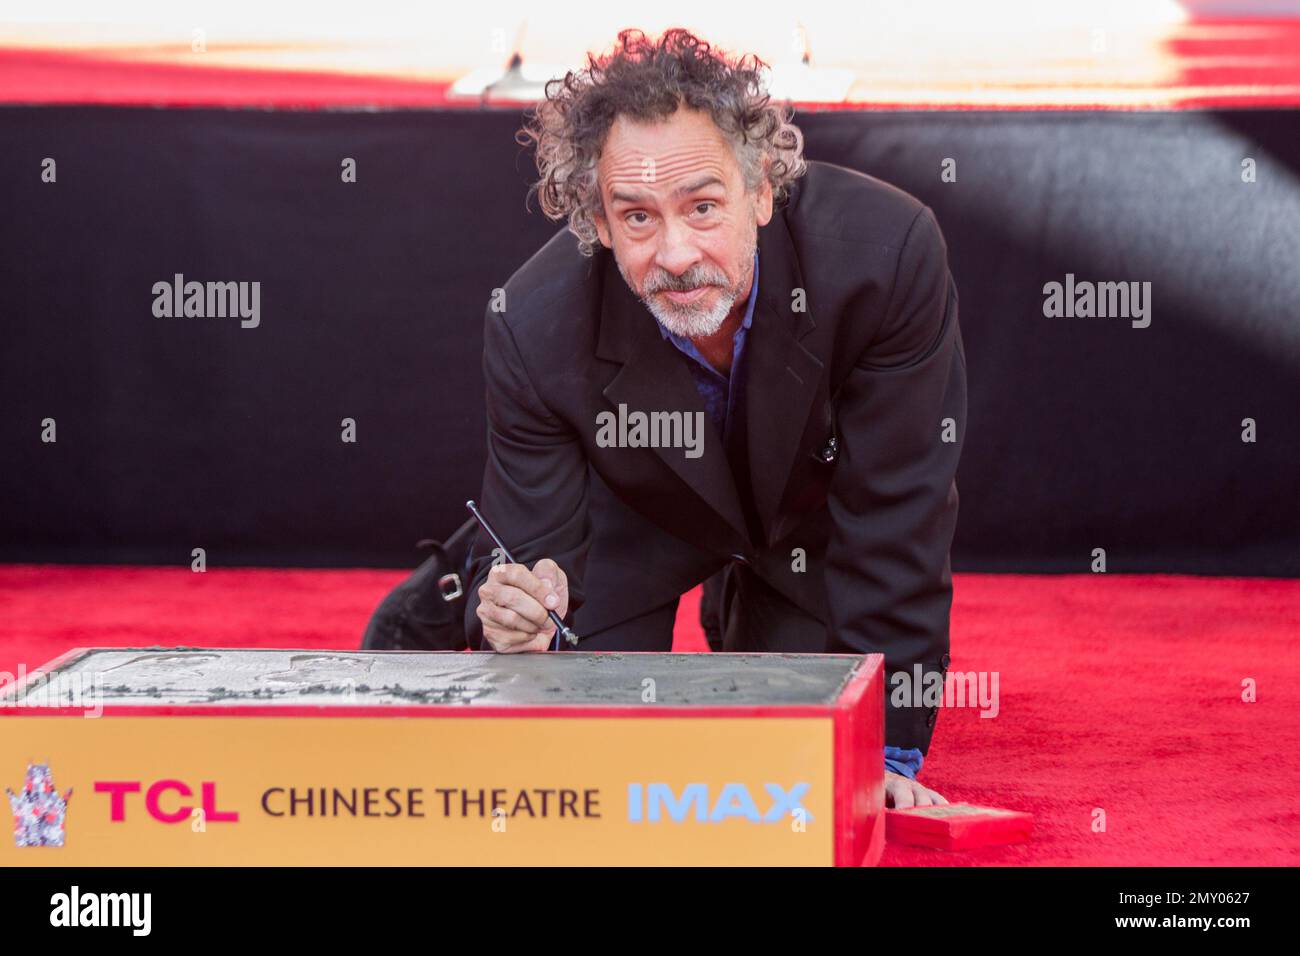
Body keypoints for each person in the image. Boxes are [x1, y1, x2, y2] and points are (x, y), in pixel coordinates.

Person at [466, 28, 965, 809]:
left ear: (763, 190)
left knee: (798, 739)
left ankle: (748, 599)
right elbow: (538, 555)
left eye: (703, 207)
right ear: (597, 223)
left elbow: (897, 514)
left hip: (805, 522)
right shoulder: (532, 327)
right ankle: (433, 594)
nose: (675, 253)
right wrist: (518, 617)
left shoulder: (885, 256)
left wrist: (887, 753)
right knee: (580, 748)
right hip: (631, 521)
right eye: (636, 218)